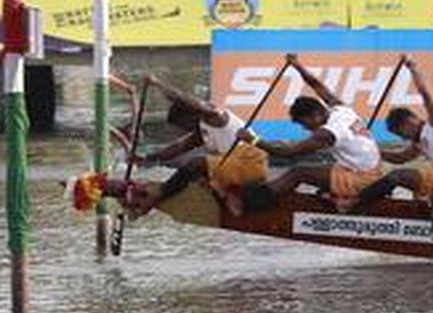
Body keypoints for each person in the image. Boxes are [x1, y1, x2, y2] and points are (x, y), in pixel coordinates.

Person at [239, 59, 382, 212]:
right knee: (317, 168)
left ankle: (250, 205)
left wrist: (253, 140)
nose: (306, 129)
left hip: (363, 179)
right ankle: (330, 195)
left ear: (315, 115)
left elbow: (286, 153)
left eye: (304, 124)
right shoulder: (340, 108)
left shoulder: (328, 132)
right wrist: (297, 65)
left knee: (298, 173)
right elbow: (315, 84)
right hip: (370, 169)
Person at [129, 75, 270, 217]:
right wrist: (146, 158)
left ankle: (156, 197)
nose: (185, 129)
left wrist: (157, 84)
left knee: (196, 164)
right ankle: (228, 194)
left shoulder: (216, 116)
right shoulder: (201, 131)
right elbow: (177, 148)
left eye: (183, 125)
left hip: (251, 162)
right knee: (196, 177)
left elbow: (184, 99)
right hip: (233, 166)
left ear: (190, 114)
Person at [355, 58, 433, 206]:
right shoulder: (418, 141)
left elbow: (426, 95)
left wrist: (413, 67)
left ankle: (356, 203)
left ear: (410, 121)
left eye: (401, 133)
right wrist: (373, 151)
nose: (403, 138)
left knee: (397, 176)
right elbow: (400, 158)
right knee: (414, 185)